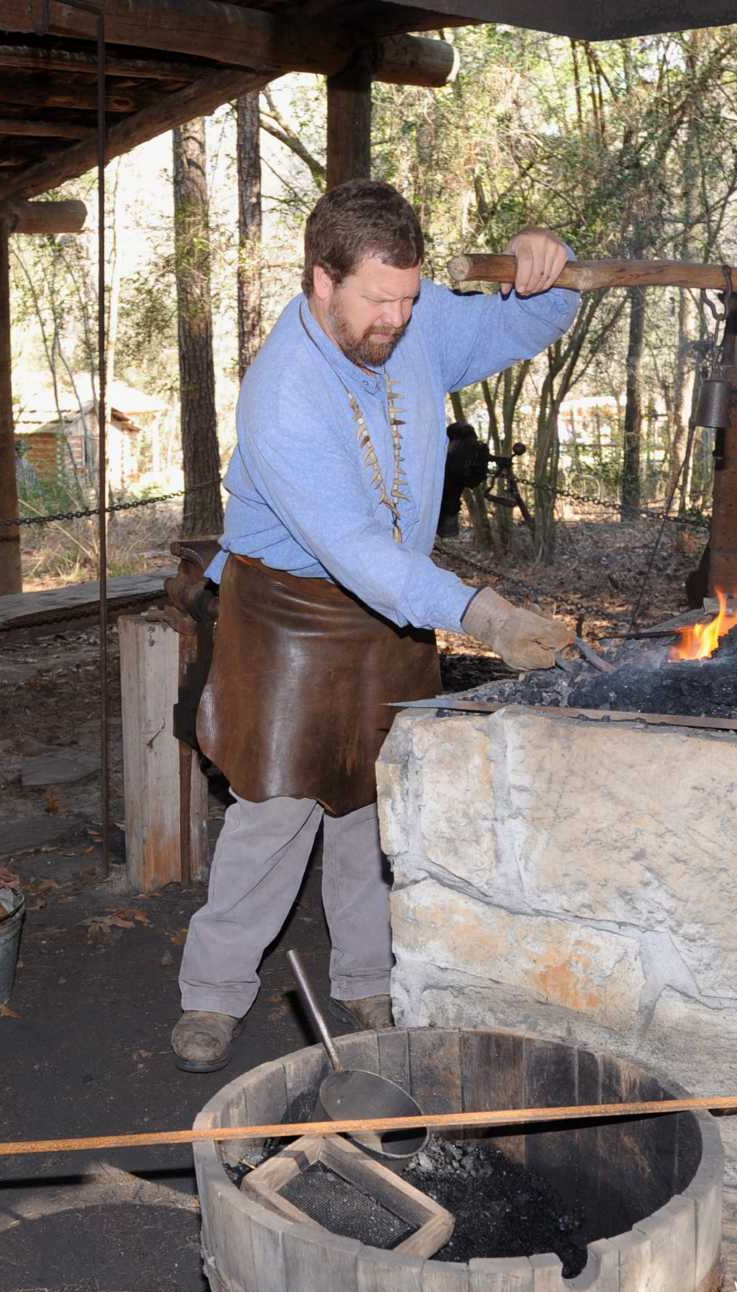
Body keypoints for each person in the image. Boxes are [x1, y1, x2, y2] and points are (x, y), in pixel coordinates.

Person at [173, 181, 579, 1073]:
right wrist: (481, 612)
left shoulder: (412, 318)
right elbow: (355, 551)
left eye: (408, 296)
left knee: (371, 801)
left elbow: (528, 323)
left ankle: (364, 975)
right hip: (291, 616)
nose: (397, 319)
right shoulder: (284, 392)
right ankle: (212, 990)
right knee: (275, 810)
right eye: (378, 300)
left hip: (395, 609)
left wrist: (548, 262)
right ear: (322, 280)